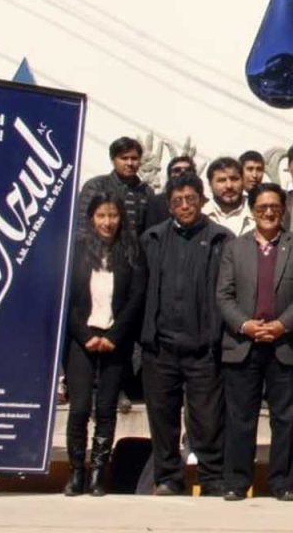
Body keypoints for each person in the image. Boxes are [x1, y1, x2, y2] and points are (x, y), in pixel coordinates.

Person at [216, 183, 293, 501]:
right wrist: (245, 325)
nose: (269, 213)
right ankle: (236, 482)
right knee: (240, 417)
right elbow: (223, 294)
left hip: (284, 345)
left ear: (283, 209)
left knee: (284, 418)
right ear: (253, 210)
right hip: (243, 343)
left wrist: (281, 325)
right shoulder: (235, 248)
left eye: (274, 207)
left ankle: (283, 483)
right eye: (262, 208)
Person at [138, 172, 233, 496]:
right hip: (160, 348)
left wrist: (215, 336)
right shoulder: (151, 239)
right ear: (169, 205)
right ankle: (168, 478)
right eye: (177, 201)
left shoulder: (221, 239)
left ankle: (211, 478)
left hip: (202, 349)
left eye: (190, 199)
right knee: (162, 419)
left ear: (201, 201)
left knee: (207, 420)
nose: (184, 206)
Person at [64, 192, 148, 497]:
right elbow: (68, 301)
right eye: (101, 216)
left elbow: (136, 298)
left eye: (113, 216)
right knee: (80, 407)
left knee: (106, 408)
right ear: (91, 219)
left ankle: (99, 472)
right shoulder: (77, 251)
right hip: (82, 339)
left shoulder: (130, 252)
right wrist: (85, 336)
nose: (107, 222)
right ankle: (77, 472)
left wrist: (113, 336)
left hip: (115, 341)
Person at [76, 136, 153, 240]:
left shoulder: (146, 191)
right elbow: (82, 225)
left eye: (134, 158)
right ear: (113, 160)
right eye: (124, 158)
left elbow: (148, 231)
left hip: (134, 253)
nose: (129, 163)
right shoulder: (96, 186)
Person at [203, 157, 255, 237]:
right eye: (222, 180)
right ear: (210, 185)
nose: (229, 186)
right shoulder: (201, 215)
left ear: (243, 181)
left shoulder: (257, 212)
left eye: (234, 179)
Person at [145, 155, 198, 230]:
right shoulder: (156, 202)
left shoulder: (202, 201)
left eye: (188, 170)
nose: (182, 173)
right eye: (177, 170)